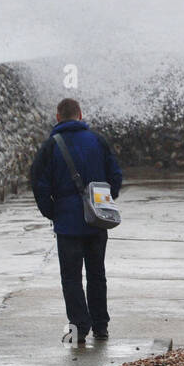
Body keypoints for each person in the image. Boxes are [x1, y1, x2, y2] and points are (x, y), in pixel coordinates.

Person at [30, 98, 123, 346]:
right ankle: (101, 327)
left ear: (58, 117)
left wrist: (53, 212)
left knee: (71, 278)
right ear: (80, 115)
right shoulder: (97, 141)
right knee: (97, 274)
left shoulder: (51, 146)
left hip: (67, 224)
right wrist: (103, 202)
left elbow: (39, 183)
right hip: (96, 221)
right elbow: (115, 175)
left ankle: (79, 329)